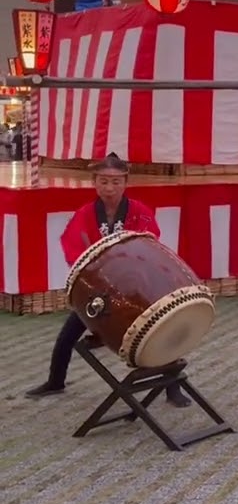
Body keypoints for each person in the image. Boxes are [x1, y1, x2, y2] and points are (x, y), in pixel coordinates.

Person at [26, 153, 190, 405]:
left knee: (161, 331)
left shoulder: (139, 211)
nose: (109, 187)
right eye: (103, 181)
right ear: (95, 183)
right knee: (68, 335)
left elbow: (150, 245)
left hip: (136, 288)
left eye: (115, 182)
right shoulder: (85, 214)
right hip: (100, 292)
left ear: (125, 183)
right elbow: (73, 249)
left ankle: (172, 389)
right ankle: (55, 381)